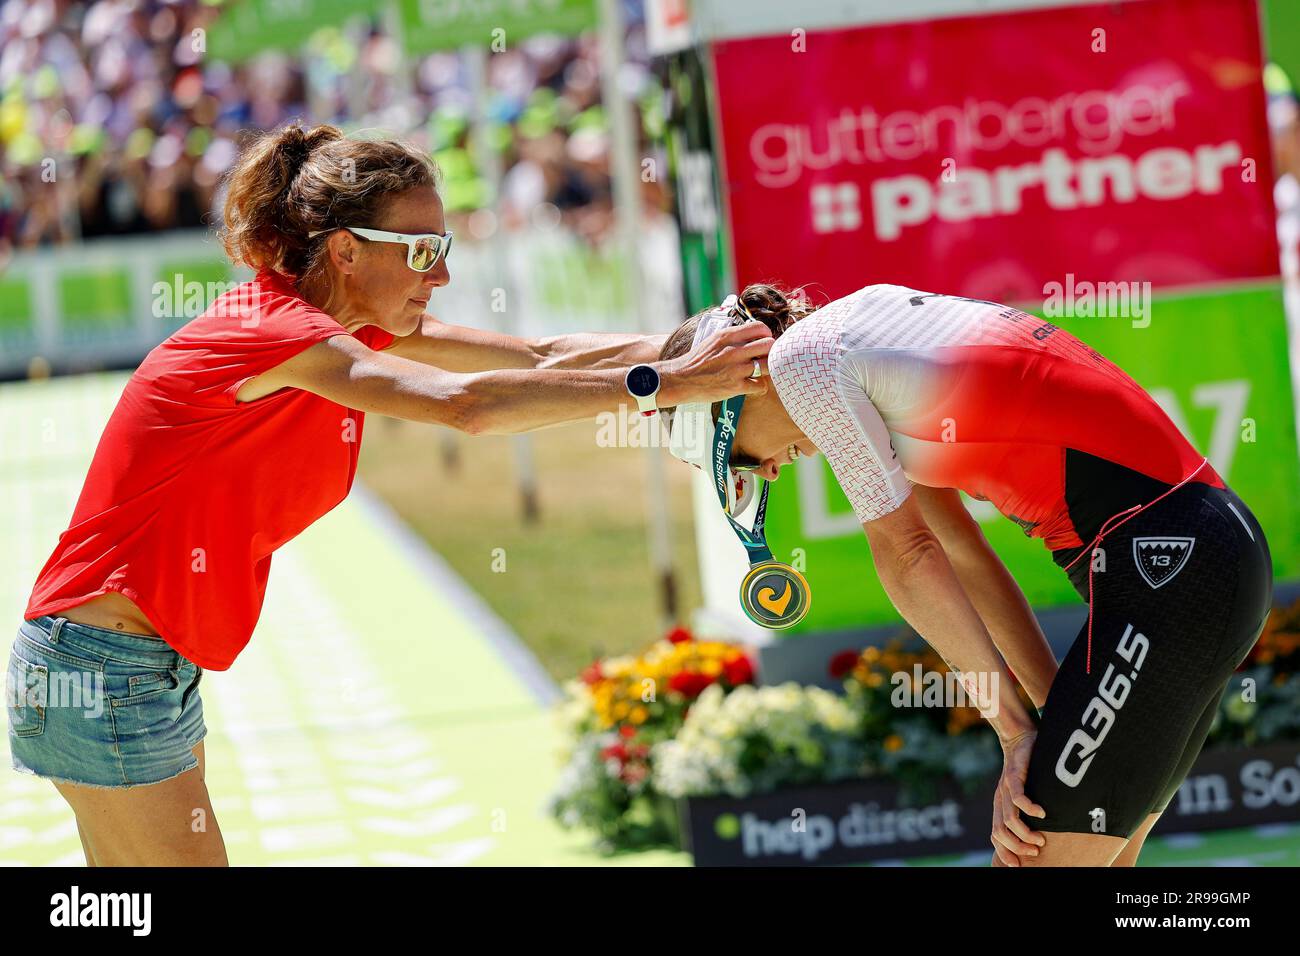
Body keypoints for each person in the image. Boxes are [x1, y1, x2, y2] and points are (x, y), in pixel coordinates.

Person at [4, 122, 773, 866]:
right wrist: (670, 385)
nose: (441, 274)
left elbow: (543, 353)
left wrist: (707, 343)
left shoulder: (342, 328)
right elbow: (462, 405)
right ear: (344, 250)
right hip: (104, 668)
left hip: (116, 664)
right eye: (422, 251)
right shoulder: (273, 328)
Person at [658, 282, 1273, 867]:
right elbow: (962, 553)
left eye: (735, 457)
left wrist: (1013, 736)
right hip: (1201, 558)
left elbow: (910, 558)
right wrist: (1036, 724)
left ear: (739, 386)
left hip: (1175, 569)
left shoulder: (799, 363)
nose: (763, 474)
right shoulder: (861, 332)